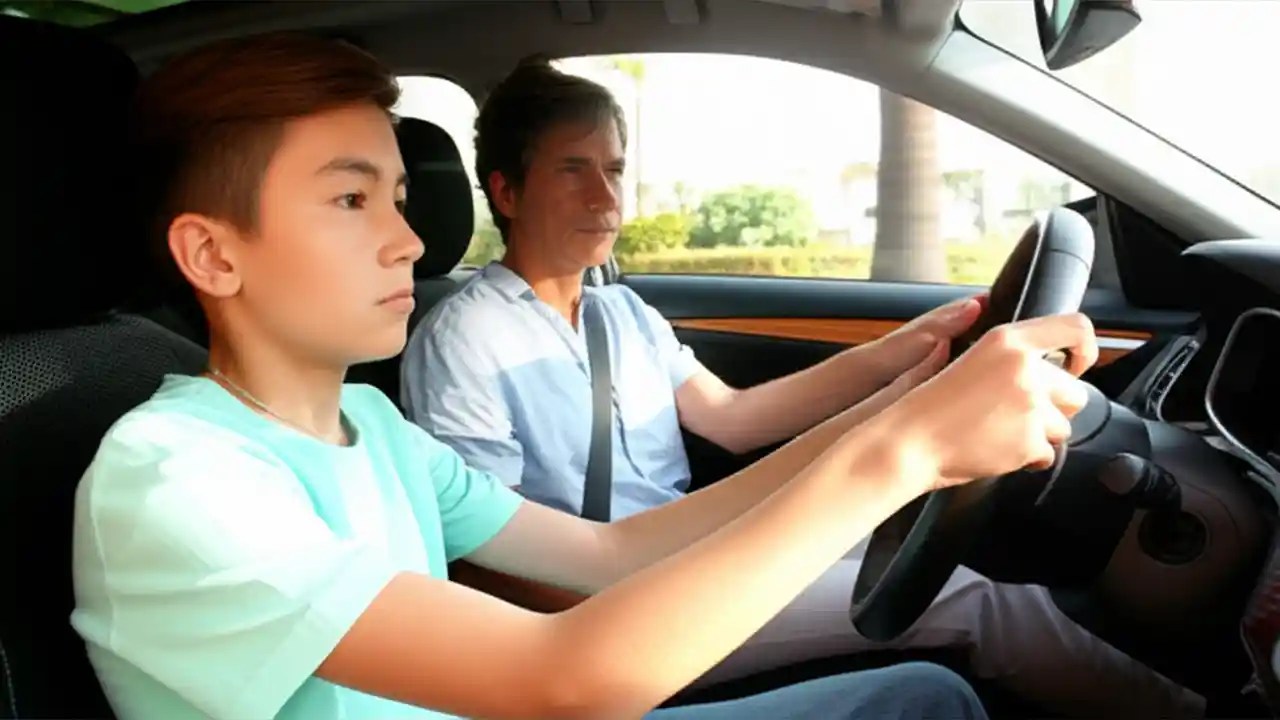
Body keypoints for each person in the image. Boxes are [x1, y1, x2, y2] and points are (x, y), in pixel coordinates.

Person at [401, 57, 1205, 718]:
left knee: (923, 535)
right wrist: (621, 615)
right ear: (505, 192)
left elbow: (737, 418)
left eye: (612, 169)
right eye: (573, 171)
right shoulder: (463, 337)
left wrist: (906, 356)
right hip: (619, 604)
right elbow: (484, 568)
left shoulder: (622, 312)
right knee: (973, 600)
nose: (606, 198)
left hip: (695, 545)